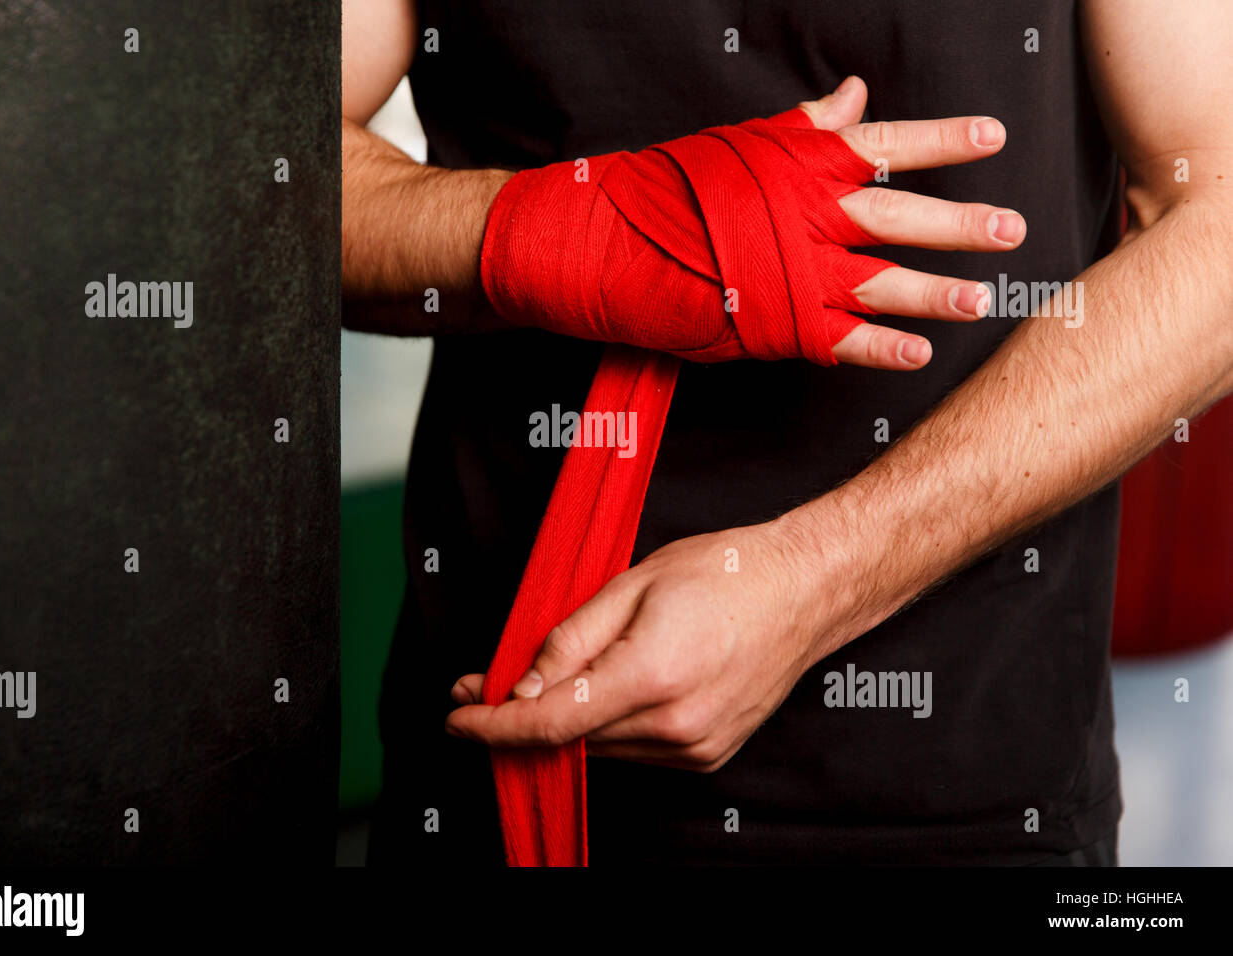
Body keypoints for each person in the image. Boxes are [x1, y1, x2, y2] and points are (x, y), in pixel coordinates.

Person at [344, 0, 1233, 865]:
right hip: (498, 760)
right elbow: (265, 181)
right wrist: (578, 236)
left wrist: (817, 581)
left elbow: (1217, 227)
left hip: (957, 804)